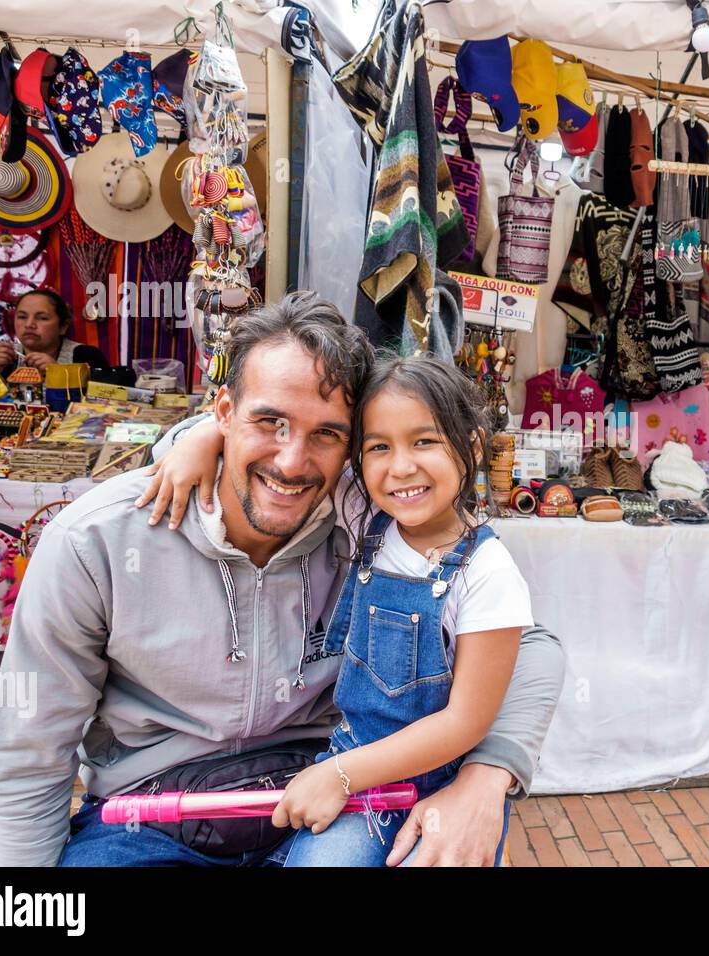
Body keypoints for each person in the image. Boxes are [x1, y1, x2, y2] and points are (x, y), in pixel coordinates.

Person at [0, 292, 564, 867]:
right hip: (151, 818)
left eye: (326, 434)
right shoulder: (99, 541)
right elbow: (29, 747)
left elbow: (528, 646)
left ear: (348, 449)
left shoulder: (369, 521)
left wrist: (487, 777)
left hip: (329, 798)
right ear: (223, 412)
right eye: (269, 422)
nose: (291, 462)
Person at [150, 353, 533, 865]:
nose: (401, 467)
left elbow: (464, 723)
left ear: (472, 445)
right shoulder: (366, 516)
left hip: (436, 783)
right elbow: (269, 436)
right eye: (379, 447)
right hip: (350, 776)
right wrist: (196, 439)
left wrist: (339, 775)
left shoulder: (488, 574)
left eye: (425, 441)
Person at [0, 289, 110, 377]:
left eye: (42, 318)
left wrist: (59, 375)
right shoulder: (4, 358)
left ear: (63, 326)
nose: (29, 324)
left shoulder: (86, 356)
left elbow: (109, 403)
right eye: (22, 317)